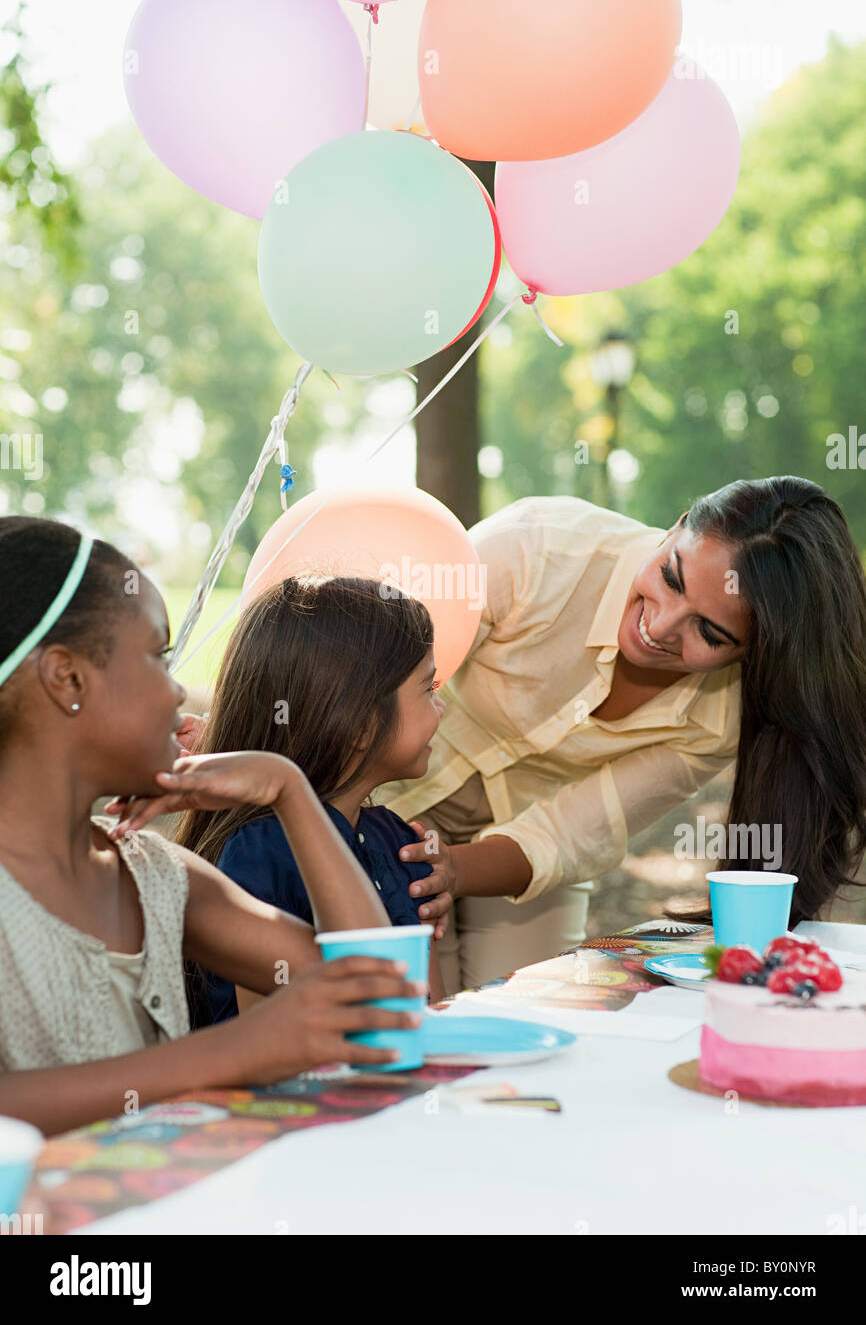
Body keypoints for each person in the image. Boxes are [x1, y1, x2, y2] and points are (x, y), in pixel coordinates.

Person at [0, 518, 427, 1137]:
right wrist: (232, 1053)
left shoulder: (153, 875)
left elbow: (380, 1002)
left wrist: (290, 790)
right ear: (66, 678)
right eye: (157, 656)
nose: (178, 693)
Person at [384, 478, 866, 994]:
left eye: (709, 632)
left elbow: (571, 832)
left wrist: (452, 870)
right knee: (413, 1001)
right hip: (385, 787)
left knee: (524, 1004)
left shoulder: (720, 719)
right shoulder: (536, 548)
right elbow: (385, 692)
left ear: (752, 653)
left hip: (523, 856)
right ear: (676, 528)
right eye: (672, 578)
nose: (660, 626)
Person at [172, 575, 448, 1018]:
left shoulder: (398, 839)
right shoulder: (262, 855)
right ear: (360, 726)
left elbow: (430, 1007)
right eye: (428, 688)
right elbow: (271, 1037)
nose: (442, 705)